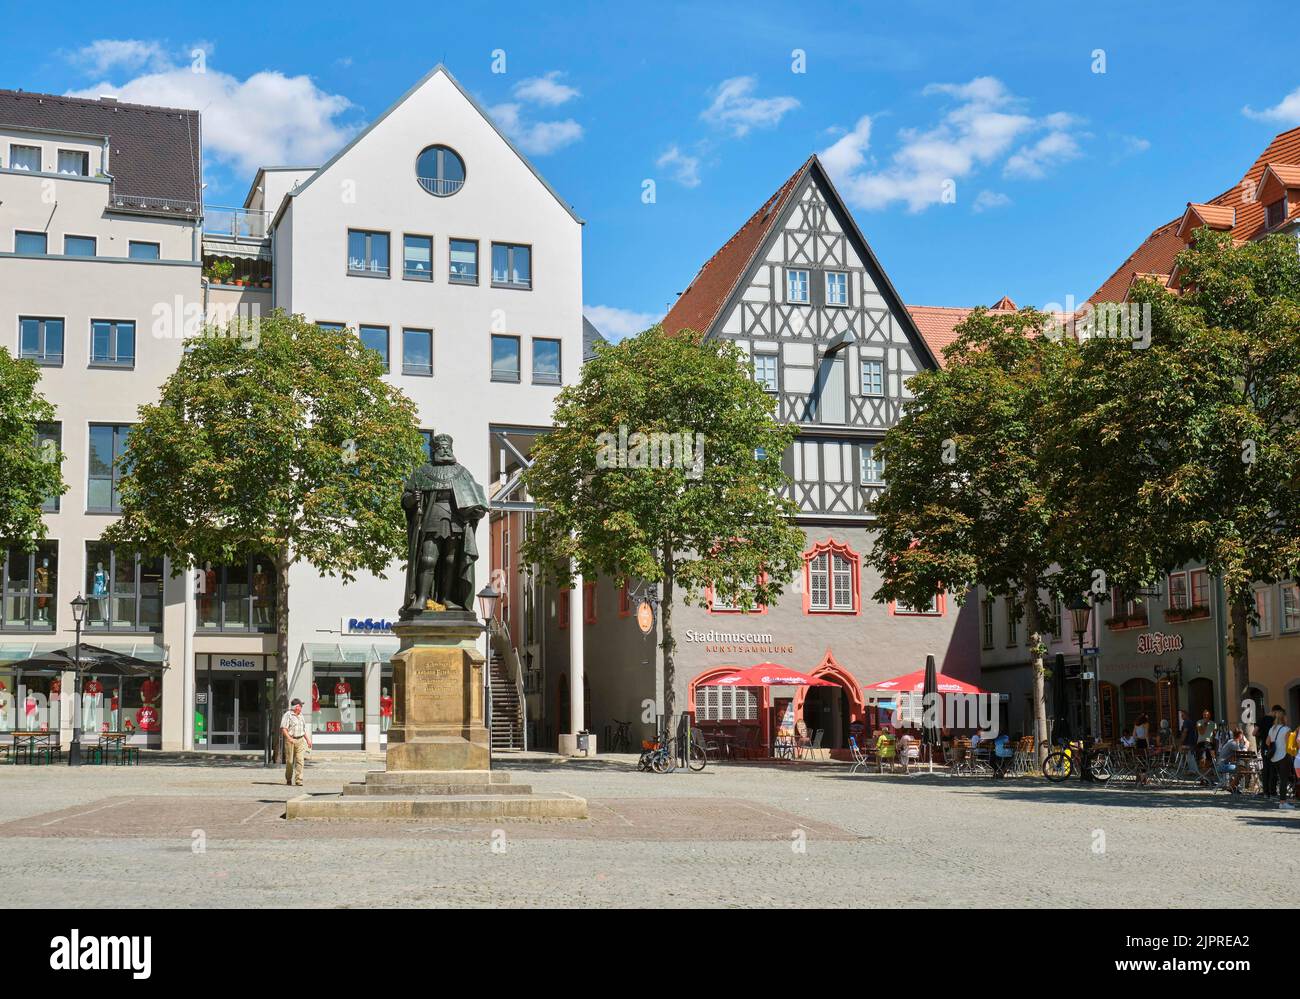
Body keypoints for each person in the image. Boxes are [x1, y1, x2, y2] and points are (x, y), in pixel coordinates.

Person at [280, 697, 312, 787]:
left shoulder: (301, 715)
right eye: (300, 705)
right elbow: (284, 729)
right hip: (291, 740)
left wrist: (308, 740)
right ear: (296, 707)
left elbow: (303, 730)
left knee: (300, 760)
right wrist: (289, 738)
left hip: (300, 740)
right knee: (290, 761)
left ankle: (299, 780)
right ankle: (289, 779)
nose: (301, 707)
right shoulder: (288, 715)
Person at [1264, 706, 1288, 799]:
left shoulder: (1272, 728)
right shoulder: (1286, 729)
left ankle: (1278, 797)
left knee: (1278, 777)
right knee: (1284, 779)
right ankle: (1283, 801)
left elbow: (1267, 742)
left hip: (1274, 757)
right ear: (1283, 718)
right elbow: (1288, 743)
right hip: (1284, 756)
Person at [1215, 728, 1246, 794]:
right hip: (1222, 766)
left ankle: (1232, 787)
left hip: (1220, 764)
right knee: (1242, 770)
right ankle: (1232, 787)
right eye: (1242, 735)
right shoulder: (1234, 744)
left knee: (1241, 769)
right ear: (1240, 735)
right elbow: (1241, 754)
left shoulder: (1231, 741)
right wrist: (1246, 745)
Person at [1133, 713, 1151, 786]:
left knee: (1139, 761)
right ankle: (1143, 780)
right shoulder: (1146, 724)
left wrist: (1137, 739)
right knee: (1145, 761)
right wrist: (1148, 745)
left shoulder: (1136, 725)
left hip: (1138, 743)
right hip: (1144, 743)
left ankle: (1139, 780)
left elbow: (1134, 735)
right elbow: (1146, 735)